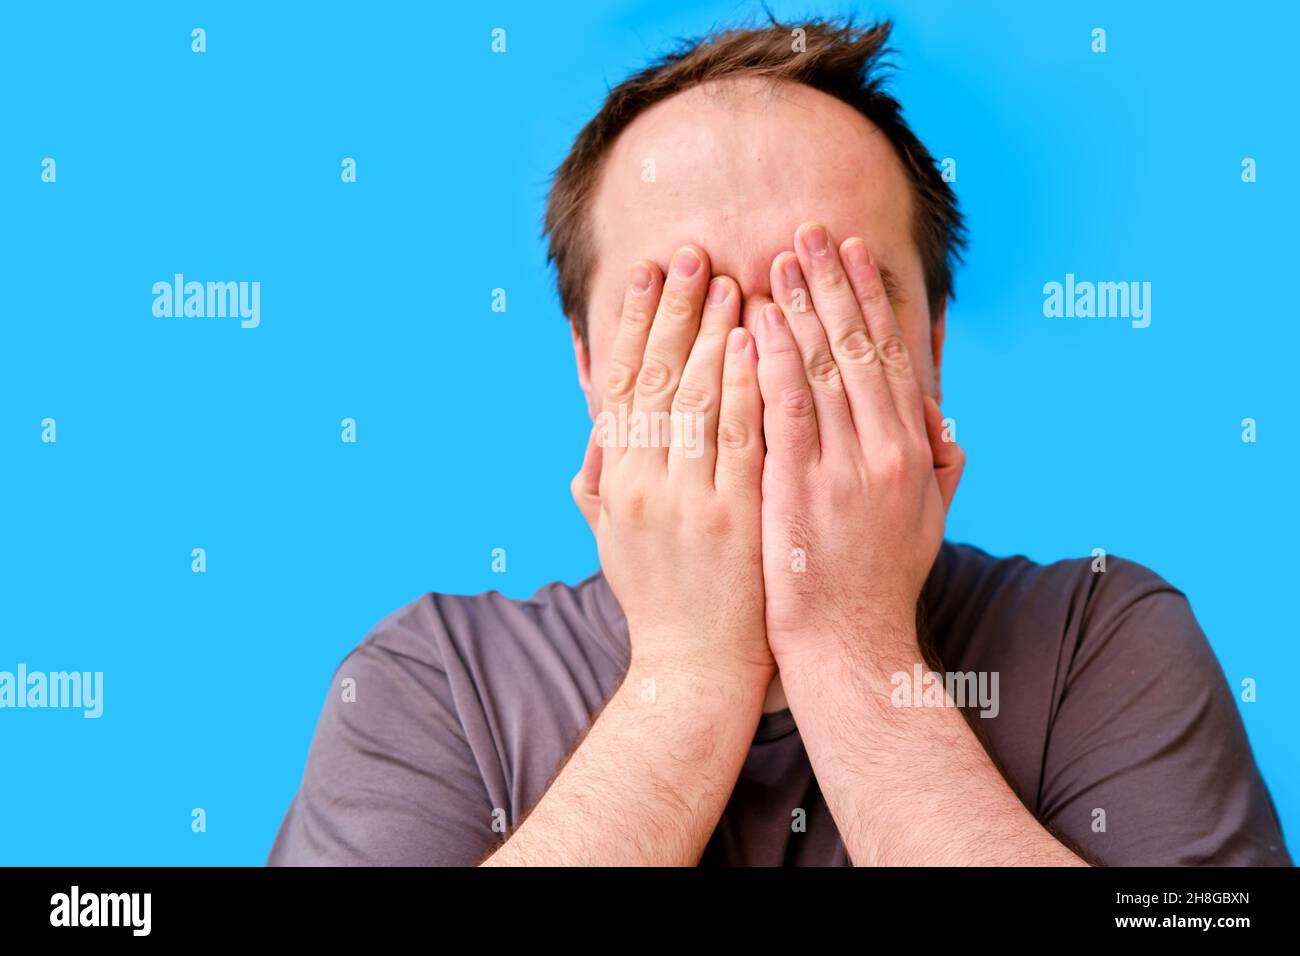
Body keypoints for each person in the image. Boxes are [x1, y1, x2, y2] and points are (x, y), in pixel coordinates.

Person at [269, 18, 1290, 866]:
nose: (765, 369)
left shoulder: (1100, 643)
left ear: (928, 345)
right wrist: (689, 673)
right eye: (688, 307)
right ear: (588, 362)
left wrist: (851, 654)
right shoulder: (430, 682)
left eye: (828, 301)